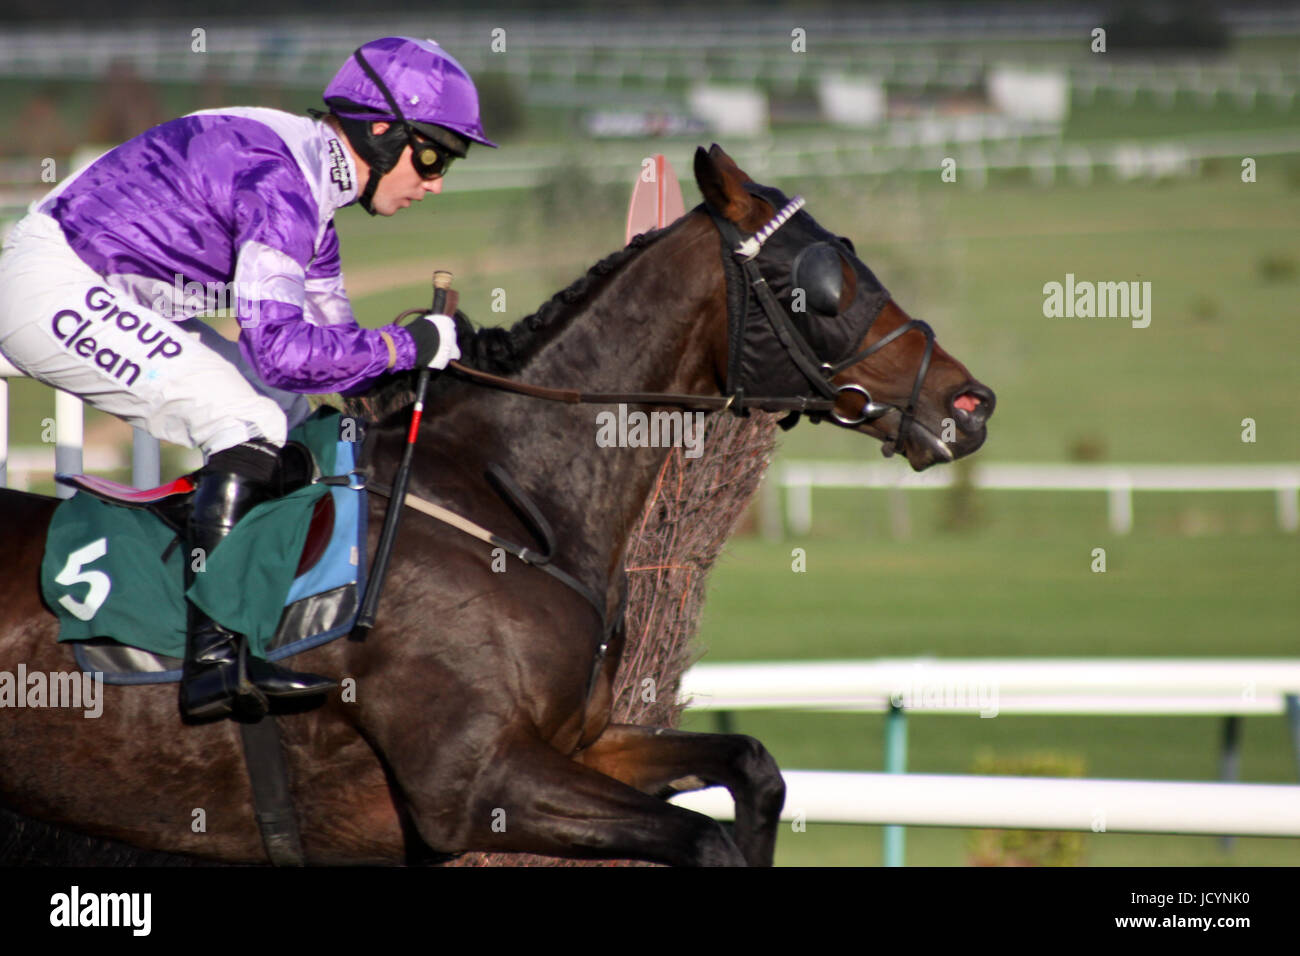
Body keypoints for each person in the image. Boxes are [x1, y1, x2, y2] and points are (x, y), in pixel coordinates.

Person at [0, 36, 497, 719]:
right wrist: (408, 343)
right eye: (433, 155)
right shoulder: (284, 183)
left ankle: (229, 593)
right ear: (382, 131)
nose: (436, 182)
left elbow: (333, 352)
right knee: (250, 422)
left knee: (292, 419)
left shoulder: (314, 204)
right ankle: (213, 655)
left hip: (104, 288)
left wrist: (434, 366)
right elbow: (284, 353)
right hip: (52, 286)